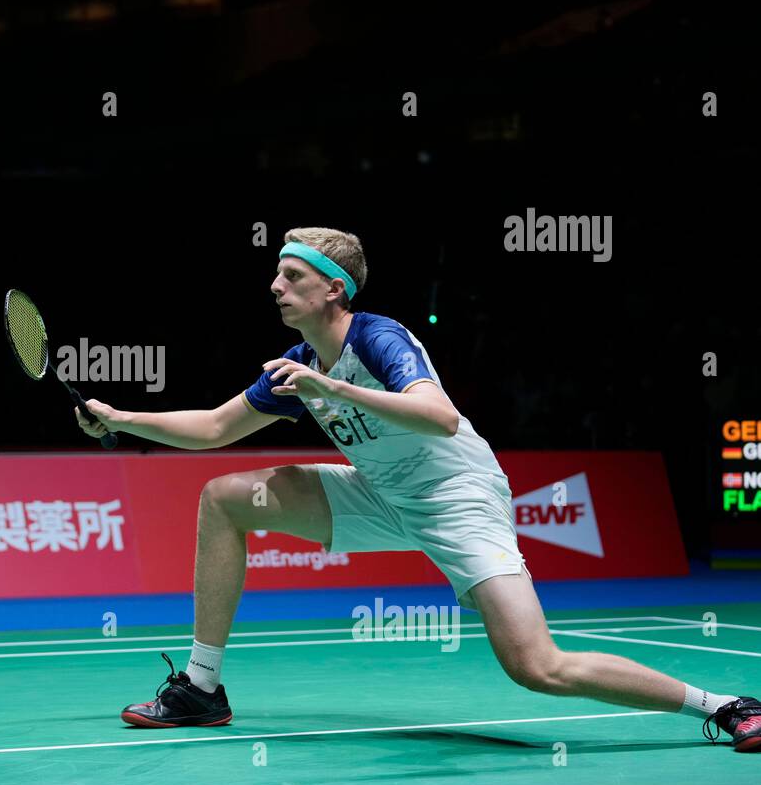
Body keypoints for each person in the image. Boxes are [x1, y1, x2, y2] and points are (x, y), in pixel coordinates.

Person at [75, 226, 761, 752]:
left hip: (458, 497)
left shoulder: (378, 338)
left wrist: (330, 388)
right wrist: (120, 417)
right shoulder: (296, 366)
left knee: (536, 666)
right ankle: (200, 687)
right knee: (225, 495)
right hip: (380, 493)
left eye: (291, 277)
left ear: (333, 289)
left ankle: (725, 705)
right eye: (275, 275)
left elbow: (440, 417)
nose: (275, 287)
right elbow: (217, 427)